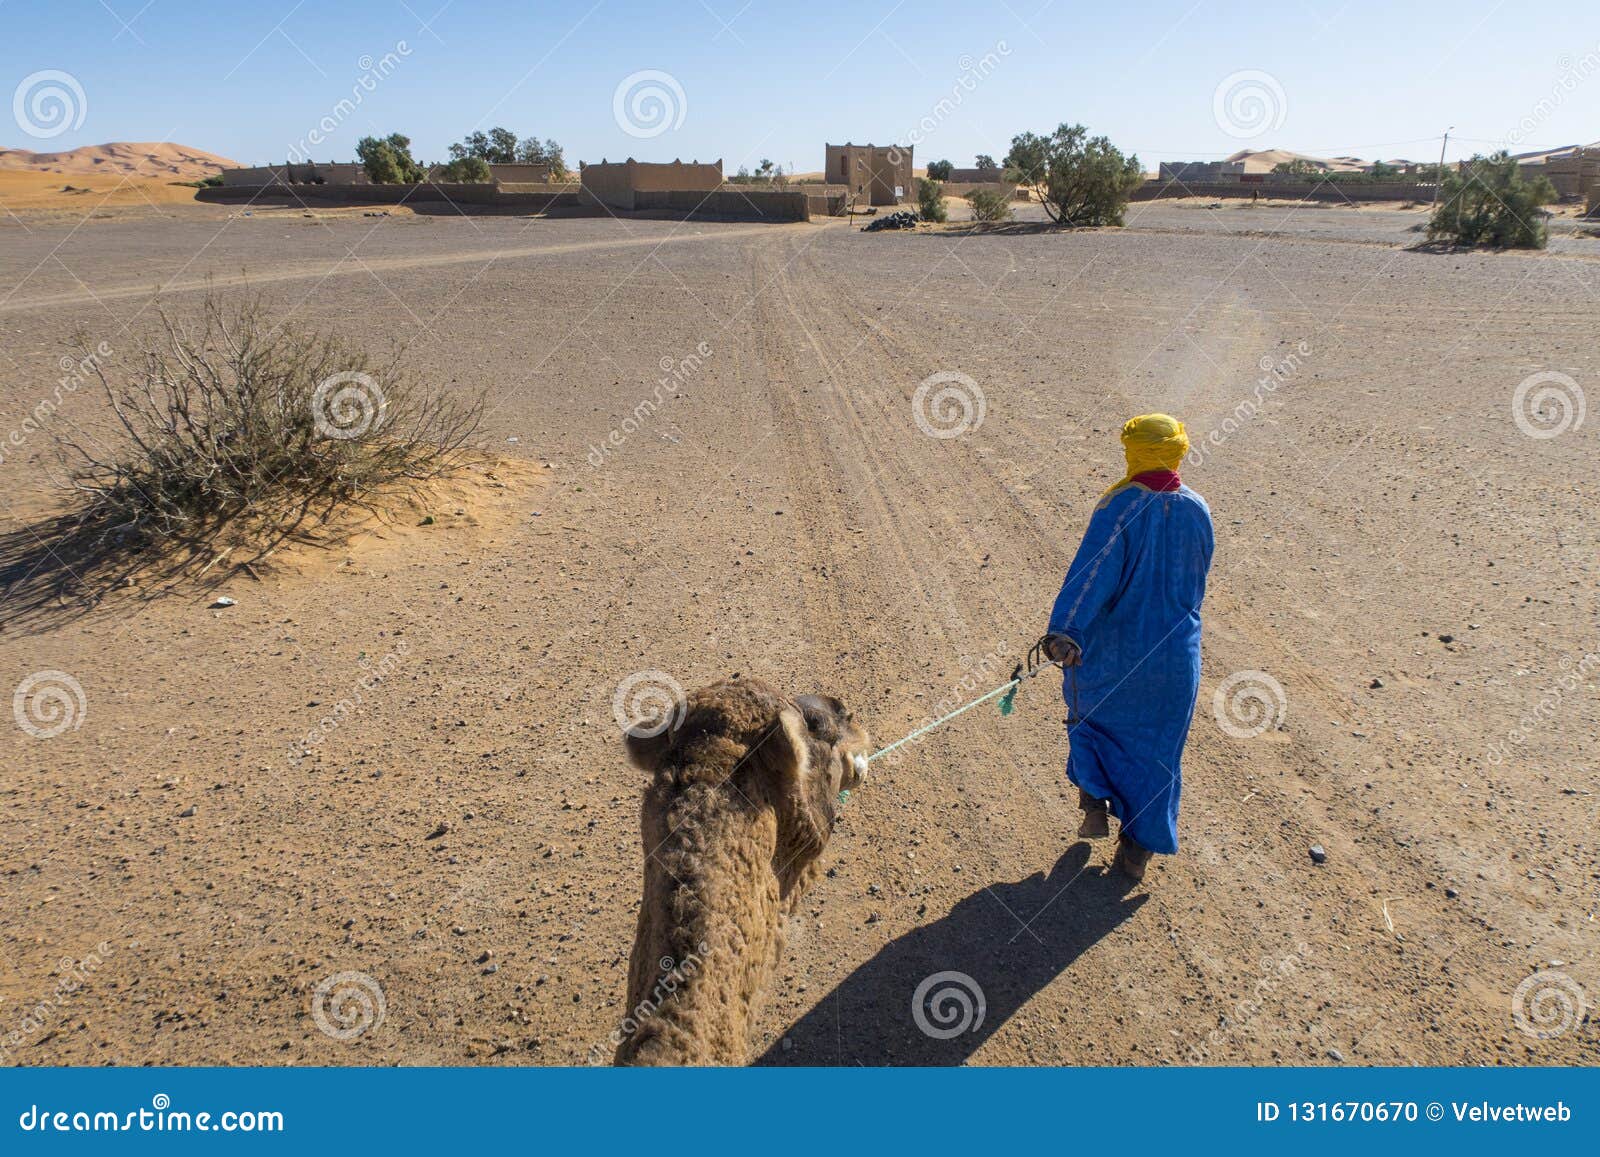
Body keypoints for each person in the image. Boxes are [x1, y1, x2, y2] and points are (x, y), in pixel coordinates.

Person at [1040, 414, 1214, 882]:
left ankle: (1094, 801)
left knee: (1092, 723)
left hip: (1119, 655)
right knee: (1158, 757)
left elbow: (1091, 576)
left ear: (1132, 452)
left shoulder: (1118, 508)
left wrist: (1065, 632)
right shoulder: (1198, 509)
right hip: (1177, 660)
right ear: (1178, 451)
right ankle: (1137, 853)